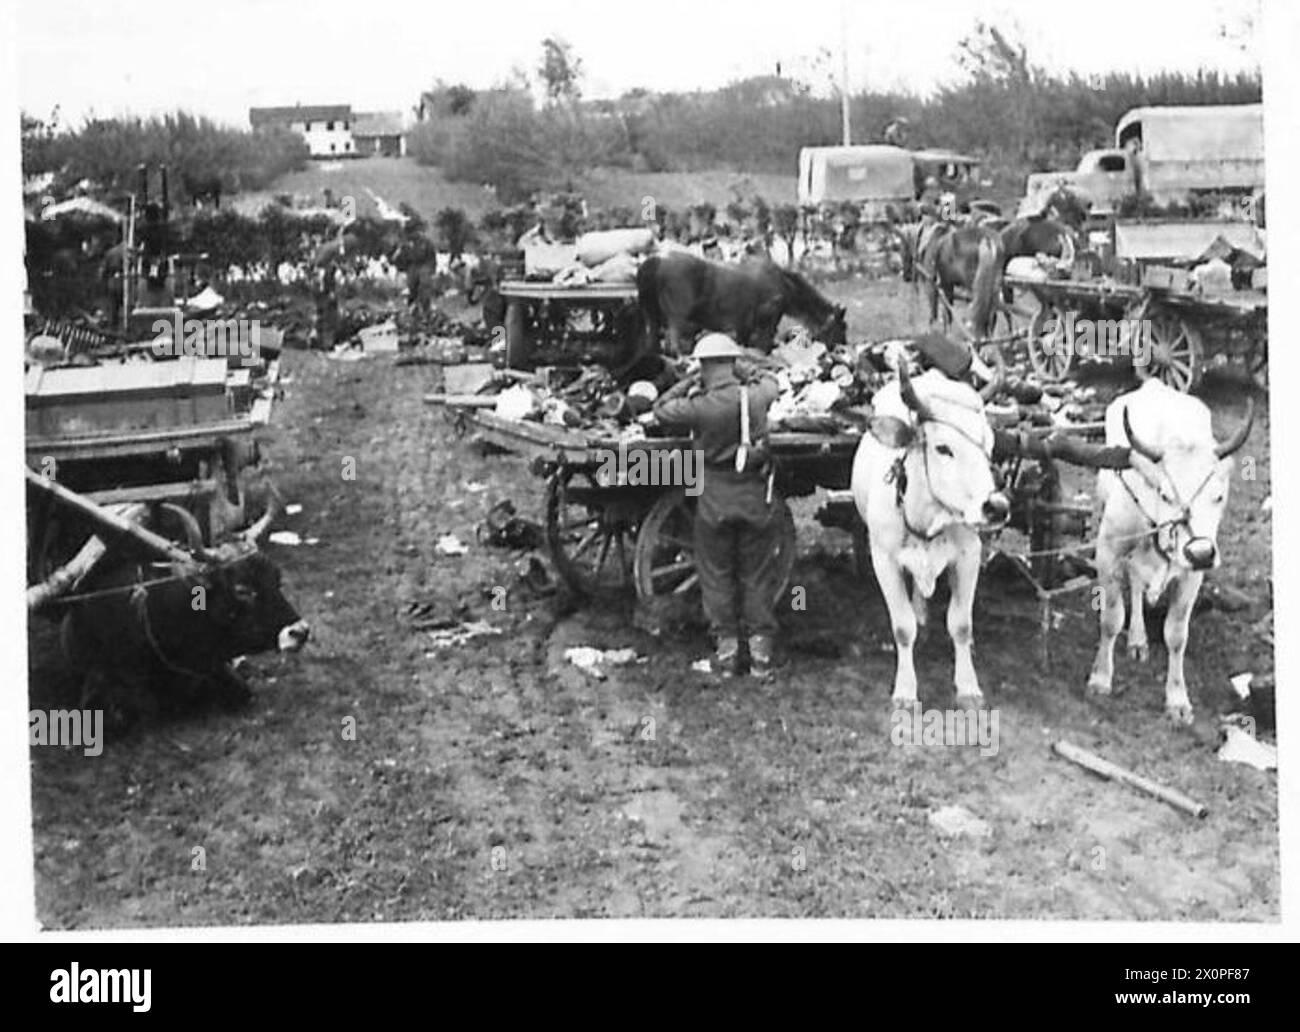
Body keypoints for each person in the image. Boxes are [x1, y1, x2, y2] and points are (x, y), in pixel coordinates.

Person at [652, 333, 783, 679]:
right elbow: (773, 382)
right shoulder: (755, 397)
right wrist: (746, 370)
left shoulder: (699, 407)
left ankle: (726, 657)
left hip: (714, 502)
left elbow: (660, 408)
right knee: (756, 576)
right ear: (733, 363)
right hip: (754, 499)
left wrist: (688, 382)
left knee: (717, 577)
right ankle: (761, 661)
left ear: (703, 367)